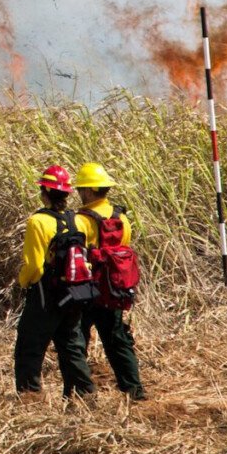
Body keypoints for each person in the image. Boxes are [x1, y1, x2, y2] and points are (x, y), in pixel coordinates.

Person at [13, 164, 95, 398]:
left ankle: (30, 398)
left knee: (30, 347)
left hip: (45, 294)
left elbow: (33, 265)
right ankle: (84, 395)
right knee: (72, 346)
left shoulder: (37, 222)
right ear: (67, 194)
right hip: (74, 293)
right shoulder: (80, 221)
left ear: (45, 193)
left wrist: (23, 283)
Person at [73, 162, 147, 401]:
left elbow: (76, 256)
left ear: (91, 191)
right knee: (118, 341)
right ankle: (134, 390)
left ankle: (81, 392)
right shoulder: (122, 218)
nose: (79, 193)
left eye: (81, 188)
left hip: (86, 289)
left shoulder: (81, 220)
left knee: (76, 341)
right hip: (114, 290)